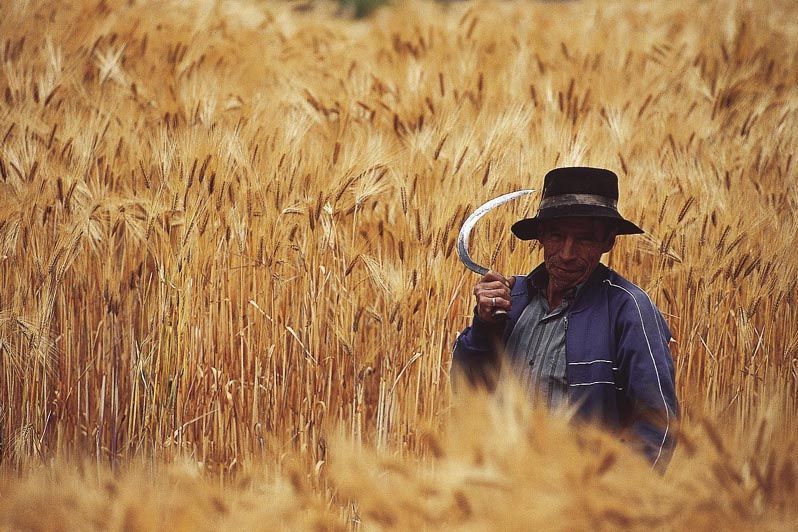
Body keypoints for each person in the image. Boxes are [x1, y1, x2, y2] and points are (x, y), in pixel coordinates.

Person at [452, 166, 679, 469]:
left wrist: (618, 501)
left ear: (608, 241)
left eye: (585, 239)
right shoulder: (511, 300)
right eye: (557, 236)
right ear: (541, 236)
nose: (568, 253)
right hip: (502, 496)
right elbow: (466, 389)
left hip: (578, 504)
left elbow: (658, 424)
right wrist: (485, 326)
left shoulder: (630, 310)